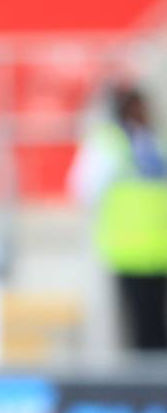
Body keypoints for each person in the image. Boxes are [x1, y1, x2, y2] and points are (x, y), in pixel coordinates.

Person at [69, 85, 167, 350]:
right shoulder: (110, 145)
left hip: (159, 251)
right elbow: (84, 187)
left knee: (157, 325)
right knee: (140, 325)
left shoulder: (155, 142)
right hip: (129, 250)